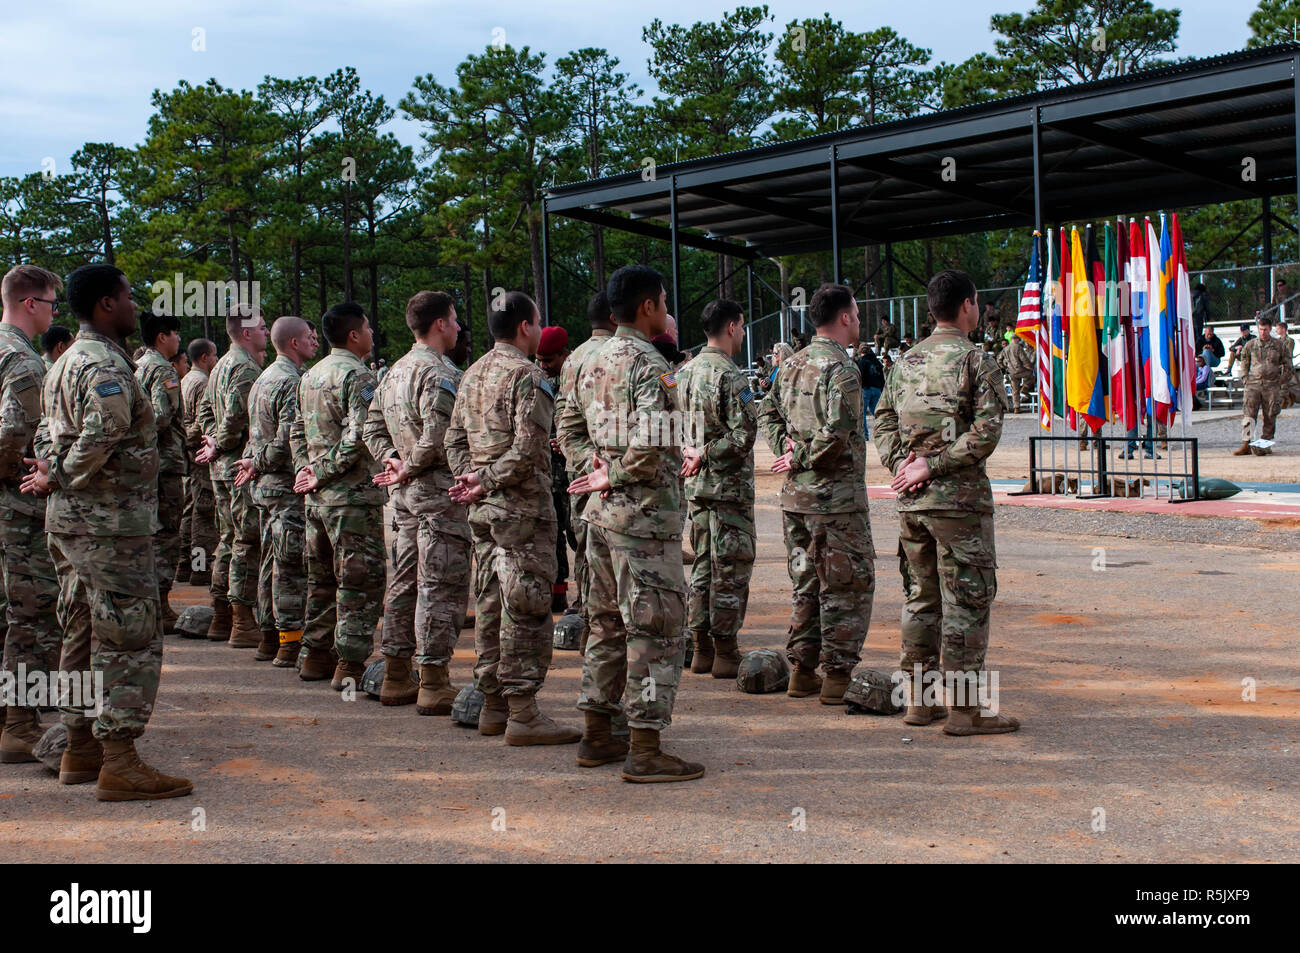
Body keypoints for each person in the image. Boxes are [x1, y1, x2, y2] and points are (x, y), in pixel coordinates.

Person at [24, 263, 192, 799]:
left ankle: (80, 747)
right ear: (104, 305)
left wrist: (56, 474)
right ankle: (119, 760)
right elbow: (106, 428)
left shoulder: (64, 361)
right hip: (110, 526)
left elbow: (45, 435)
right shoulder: (103, 363)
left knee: (81, 632)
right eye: (126, 299)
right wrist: (66, 476)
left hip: (74, 528)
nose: (134, 308)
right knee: (128, 638)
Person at [568, 265, 703, 782]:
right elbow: (654, 440)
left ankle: (597, 735)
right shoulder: (653, 365)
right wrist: (618, 474)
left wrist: (595, 471)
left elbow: (569, 425)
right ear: (648, 307)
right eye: (664, 300)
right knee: (656, 630)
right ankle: (645, 749)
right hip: (644, 522)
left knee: (605, 625)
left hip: (601, 519)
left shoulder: (587, 359)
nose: (667, 310)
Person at [873, 268, 1019, 736]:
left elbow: (882, 421)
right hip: (958, 505)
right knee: (967, 603)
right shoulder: (976, 360)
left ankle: (919, 702)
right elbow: (987, 432)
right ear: (968, 305)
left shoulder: (905, 362)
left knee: (920, 600)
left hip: (913, 503)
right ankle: (964, 710)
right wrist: (931, 467)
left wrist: (905, 466)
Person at [446, 291, 578, 746]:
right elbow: (529, 448)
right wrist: (488, 480)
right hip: (520, 510)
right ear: (525, 327)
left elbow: (453, 440)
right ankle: (522, 711)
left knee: (489, 602)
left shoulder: (472, 374)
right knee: (527, 605)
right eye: (538, 322)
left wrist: (473, 479)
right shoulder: (528, 376)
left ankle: (494, 706)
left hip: (483, 510)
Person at [758, 283, 873, 705]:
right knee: (846, 585)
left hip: (795, 502)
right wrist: (800, 455)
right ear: (844, 318)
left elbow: (765, 410)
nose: (858, 321)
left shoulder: (790, 365)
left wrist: (784, 448)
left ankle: (803, 671)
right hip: (834, 501)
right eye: (857, 314)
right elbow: (838, 436)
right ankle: (837, 676)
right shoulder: (841, 369)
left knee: (806, 583)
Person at [362, 292, 469, 713]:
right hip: (436, 495)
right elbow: (439, 436)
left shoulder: (392, 373)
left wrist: (391, 459)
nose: (459, 327)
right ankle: (434, 681)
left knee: (404, 581)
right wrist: (407, 464)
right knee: (439, 586)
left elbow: (371, 426)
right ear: (440, 323)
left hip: (403, 497)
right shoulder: (440, 372)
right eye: (455, 319)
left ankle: (395, 673)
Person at [290, 303, 386, 687]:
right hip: (351, 498)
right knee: (359, 582)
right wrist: (321, 472)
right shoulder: (358, 377)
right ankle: (349, 664)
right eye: (368, 328)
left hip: (317, 499)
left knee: (322, 580)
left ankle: (315, 654)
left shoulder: (310, 375)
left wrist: (307, 470)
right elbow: (361, 436)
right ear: (354, 335)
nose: (372, 335)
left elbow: (296, 430)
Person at [0, 265, 64, 764]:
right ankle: (20, 720)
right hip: (15, 500)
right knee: (33, 611)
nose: (54, 312)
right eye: (51, 303)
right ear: (30, 304)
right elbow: (12, 438)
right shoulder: (22, 361)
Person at [676, 298, 757, 679]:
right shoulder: (730, 375)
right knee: (730, 568)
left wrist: (691, 455)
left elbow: (669, 425)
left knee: (704, 567)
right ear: (731, 327)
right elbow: (745, 434)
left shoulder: (683, 373)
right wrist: (706, 454)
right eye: (741, 326)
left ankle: (701, 649)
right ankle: (725, 652)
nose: (742, 333)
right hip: (728, 489)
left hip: (698, 488)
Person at [234, 316, 316, 664]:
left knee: (271, 559)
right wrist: (259, 462)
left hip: (265, 486)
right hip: (282, 483)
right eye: (310, 337)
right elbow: (285, 441)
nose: (315, 342)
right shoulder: (290, 382)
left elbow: (255, 435)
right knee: (289, 563)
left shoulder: (264, 377)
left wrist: (254, 462)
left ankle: (269, 634)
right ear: (294, 343)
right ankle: (289, 638)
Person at [195, 309, 268, 645]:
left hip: (222, 466)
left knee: (227, 539)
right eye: (263, 328)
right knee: (245, 541)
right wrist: (220, 444)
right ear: (247, 332)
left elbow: (206, 411)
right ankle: (241, 619)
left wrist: (211, 441)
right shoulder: (244, 367)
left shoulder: (221, 364)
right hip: (239, 466)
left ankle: (222, 614)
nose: (267, 333)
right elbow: (237, 415)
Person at [555, 292, 616, 641]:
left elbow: (566, 427)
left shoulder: (573, 360)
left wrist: (588, 464)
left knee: (587, 550)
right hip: (626, 479)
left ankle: (590, 627)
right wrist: (613, 468)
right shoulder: (632, 355)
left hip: (584, 477)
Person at [134, 312, 187, 635]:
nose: (178, 340)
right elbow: (161, 417)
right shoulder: (163, 369)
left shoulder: (138, 365)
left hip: (146, 463)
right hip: (163, 463)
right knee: (166, 536)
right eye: (175, 334)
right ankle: (159, 605)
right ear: (162, 337)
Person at [535, 325, 574, 613]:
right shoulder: (538, 380)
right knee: (553, 533)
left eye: (549, 360)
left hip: (575, 469)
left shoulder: (577, 377)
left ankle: (588, 596)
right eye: (539, 360)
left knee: (578, 534)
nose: (543, 366)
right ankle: (558, 591)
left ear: (565, 354)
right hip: (548, 472)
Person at [178, 338, 218, 589]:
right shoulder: (202, 383)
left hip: (189, 454)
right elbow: (201, 422)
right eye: (214, 356)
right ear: (204, 357)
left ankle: (185, 563)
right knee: (203, 513)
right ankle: (198, 567)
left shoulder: (185, 380)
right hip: (199, 454)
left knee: (190, 509)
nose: (216, 360)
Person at [1234, 314, 1288, 456]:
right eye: (1260, 329)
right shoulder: (1251, 345)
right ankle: (1246, 444)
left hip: (1271, 386)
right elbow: (1244, 362)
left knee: (1270, 415)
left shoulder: (1279, 345)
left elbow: (1288, 366)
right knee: (1249, 415)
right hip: (1253, 385)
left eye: (1265, 329)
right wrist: (1245, 378)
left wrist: (1281, 381)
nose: (1262, 332)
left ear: (1270, 329)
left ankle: (1264, 444)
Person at [998, 331, 1035, 413]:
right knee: (1032, 376)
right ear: (1016, 339)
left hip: (1011, 371)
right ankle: (1025, 387)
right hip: (1020, 370)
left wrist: (1004, 367)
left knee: (1015, 390)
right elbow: (1024, 359)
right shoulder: (1018, 347)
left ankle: (1016, 407)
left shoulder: (1005, 348)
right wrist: (1030, 367)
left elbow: (999, 359)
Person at [857, 344, 886, 439]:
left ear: (861, 352)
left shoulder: (862, 362)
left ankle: (865, 436)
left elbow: (860, 376)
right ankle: (883, 433)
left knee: (862, 414)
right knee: (878, 413)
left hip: (866, 389)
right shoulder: (876, 361)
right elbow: (882, 376)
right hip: (877, 389)